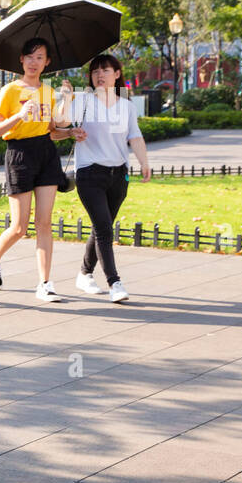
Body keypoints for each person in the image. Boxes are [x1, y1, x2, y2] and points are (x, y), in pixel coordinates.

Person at [0, 37, 69, 302]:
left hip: (45, 153)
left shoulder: (49, 92)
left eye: (40, 57)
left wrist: (70, 130)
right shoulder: (10, 91)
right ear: (21, 59)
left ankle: (45, 283)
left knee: (44, 222)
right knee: (20, 227)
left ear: (47, 62)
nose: (34, 62)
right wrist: (18, 116)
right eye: (29, 56)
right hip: (19, 154)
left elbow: (52, 131)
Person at [58, 53, 151, 302]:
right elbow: (59, 124)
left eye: (106, 70)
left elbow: (135, 137)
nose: (100, 75)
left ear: (117, 74)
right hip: (90, 173)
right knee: (103, 229)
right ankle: (115, 282)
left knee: (103, 226)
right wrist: (66, 100)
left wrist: (144, 163)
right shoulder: (83, 101)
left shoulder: (127, 106)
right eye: (96, 71)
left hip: (118, 176)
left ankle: (84, 273)